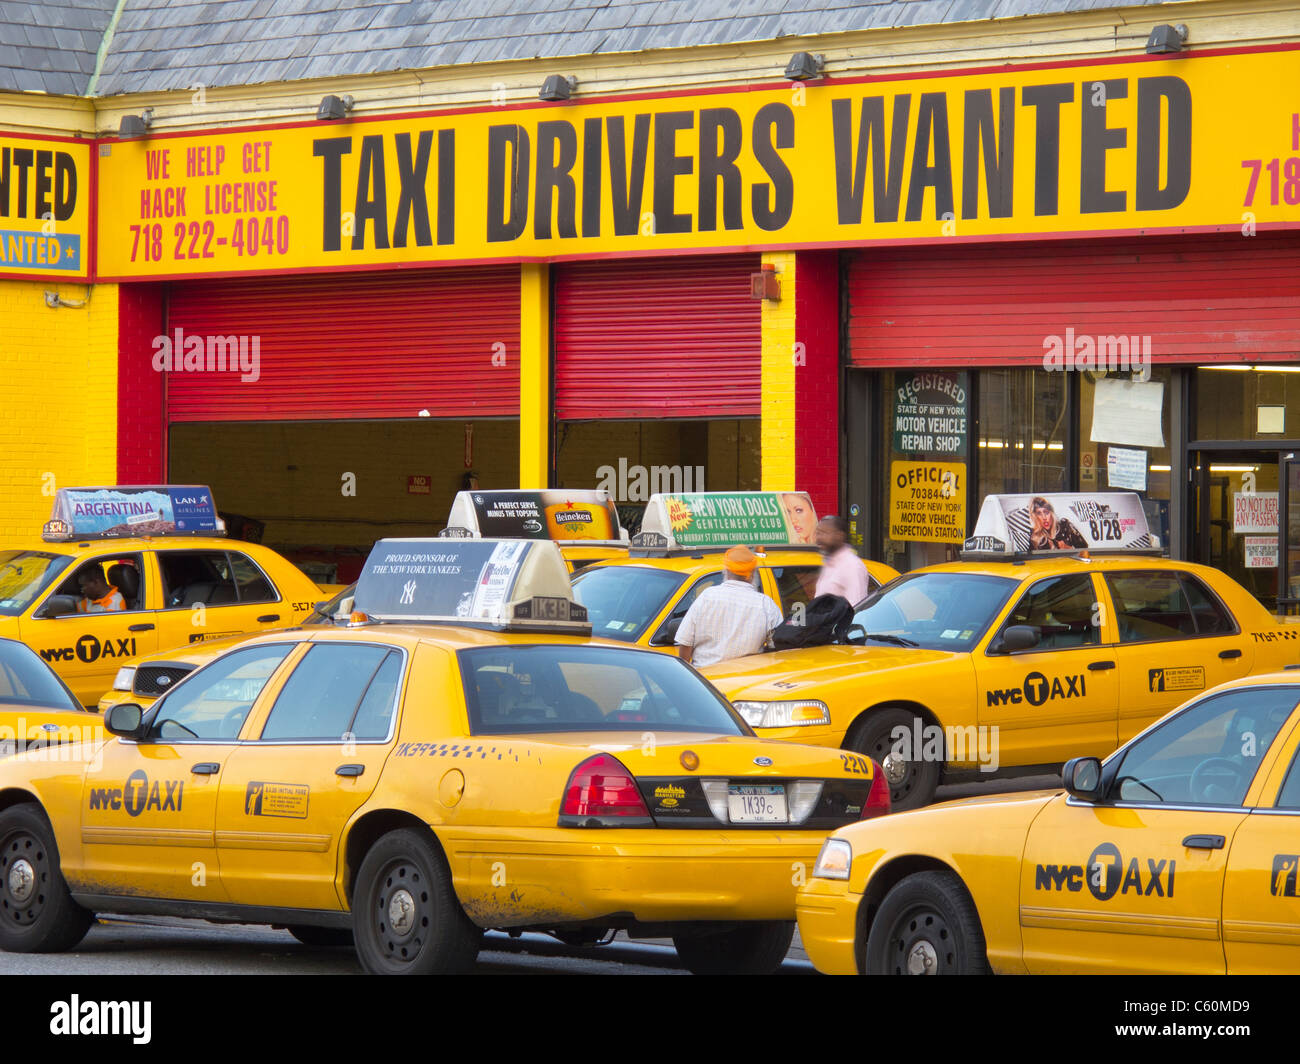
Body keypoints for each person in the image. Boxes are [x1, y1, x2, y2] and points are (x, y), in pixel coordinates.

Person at [675, 546, 782, 666]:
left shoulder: (707, 597)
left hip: (705, 679)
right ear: (752, 574)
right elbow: (778, 646)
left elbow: (685, 642)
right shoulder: (766, 605)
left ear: (725, 570)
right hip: (748, 681)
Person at [814, 515, 870, 605]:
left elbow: (856, 609)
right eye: (818, 533)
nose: (819, 538)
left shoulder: (852, 566)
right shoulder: (829, 564)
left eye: (824, 533)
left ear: (839, 536)